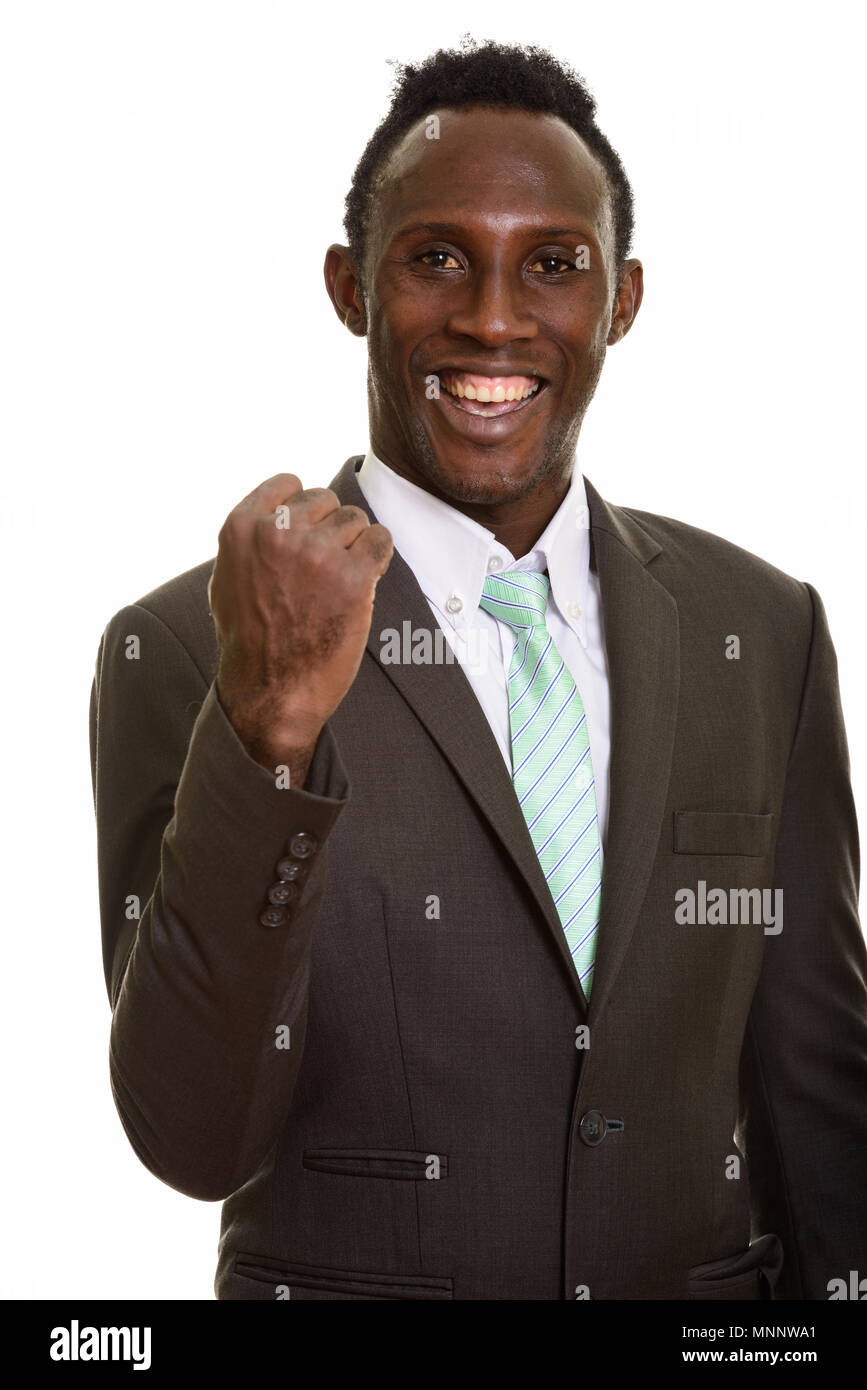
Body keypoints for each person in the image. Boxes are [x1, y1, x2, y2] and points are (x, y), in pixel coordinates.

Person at [89, 39, 867, 1300]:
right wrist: (271, 723)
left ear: (621, 302)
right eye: (436, 257)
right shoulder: (189, 647)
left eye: (553, 265)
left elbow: (820, 1103)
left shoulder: (763, 630)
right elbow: (192, 1137)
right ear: (350, 287)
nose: (494, 317)